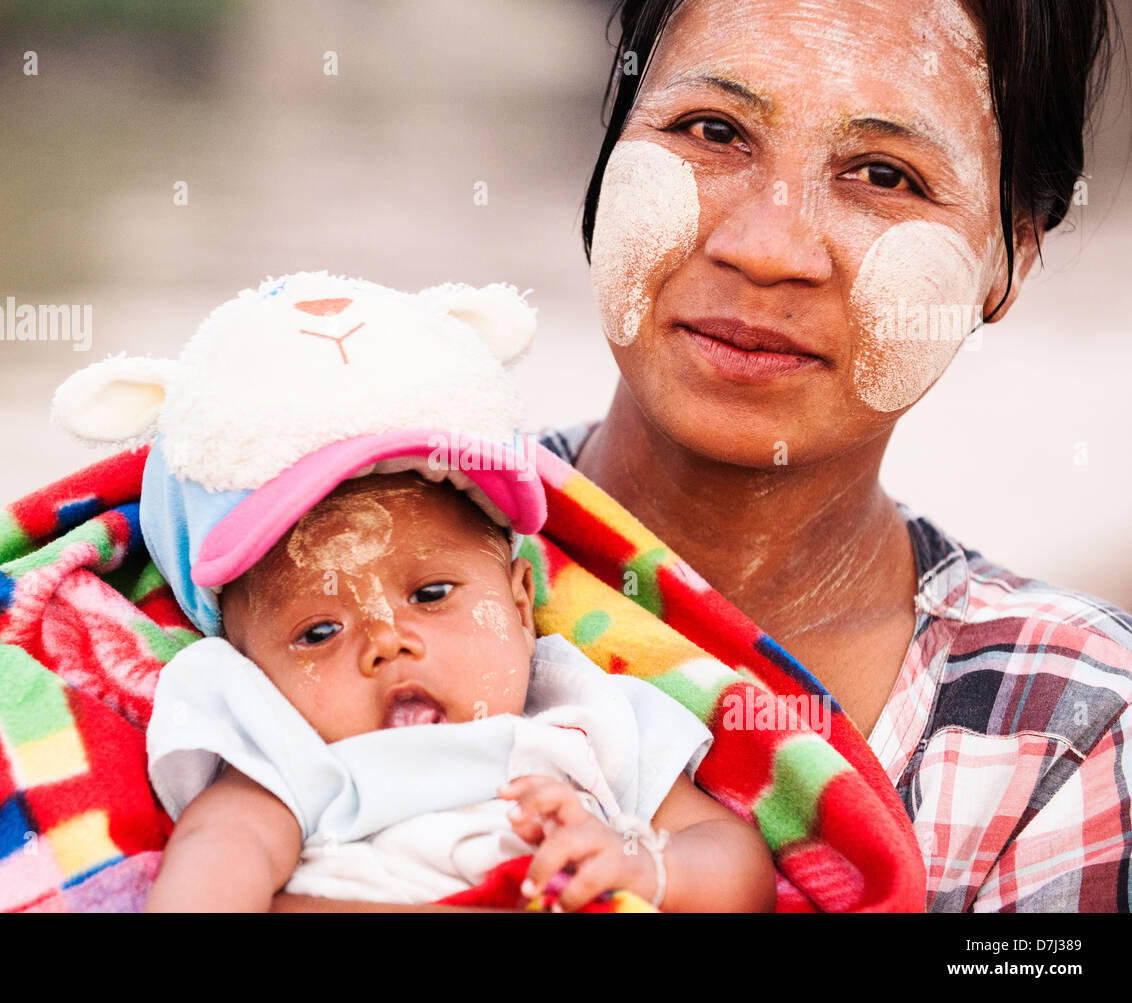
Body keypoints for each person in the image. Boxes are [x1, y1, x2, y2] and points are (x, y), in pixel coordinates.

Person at [538, 0, 1130, 912]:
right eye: (713, 130)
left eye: (884, 175)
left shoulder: (1066, 730)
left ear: (1009, 256)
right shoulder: (346, 535)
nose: (765, 248)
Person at [142, 469, 776, 912]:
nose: (388, 643)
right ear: (255, 676)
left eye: (431, 595)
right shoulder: (292, 759)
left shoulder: (585, 716)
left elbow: (734, 863)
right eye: (320, 631)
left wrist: (646, 868)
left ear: (523, 607)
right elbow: (220, 855)